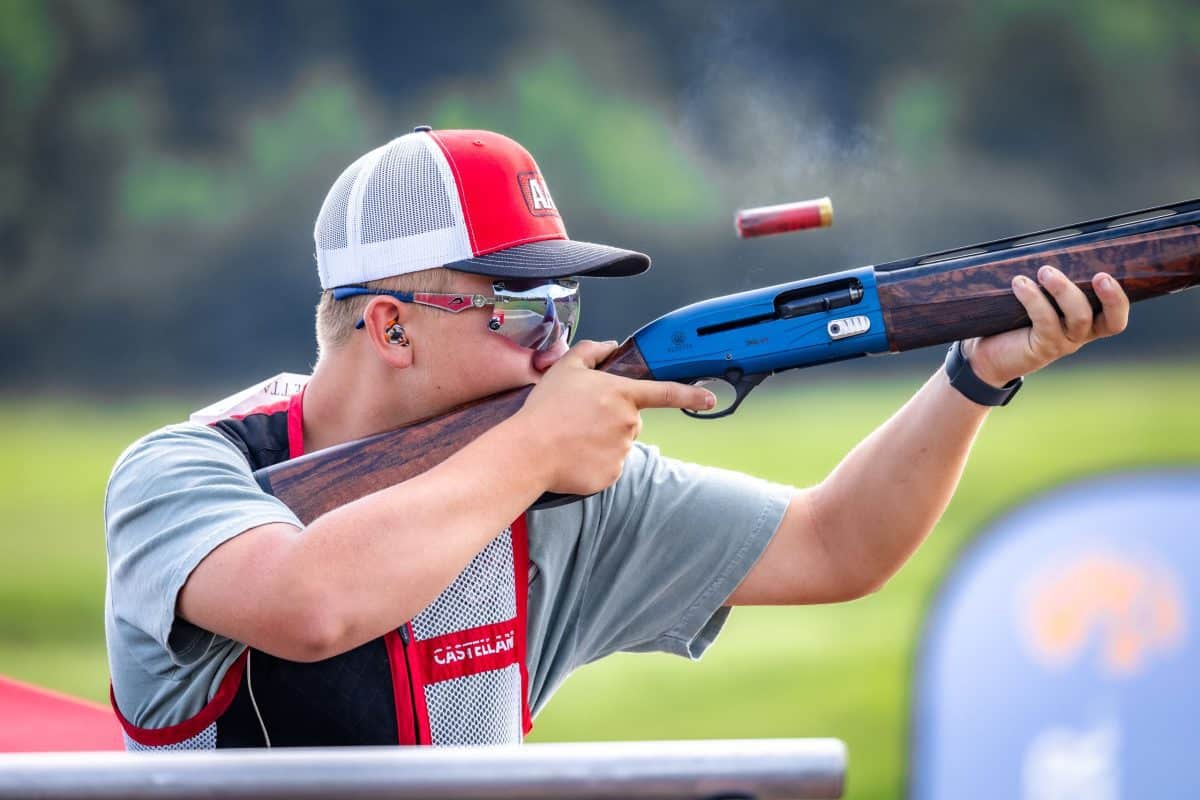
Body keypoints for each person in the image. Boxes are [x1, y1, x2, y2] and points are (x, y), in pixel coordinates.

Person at [104, 128, 1130, 749]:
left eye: (567, 302)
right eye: (520, 308)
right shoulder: (187, 470)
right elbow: (311, 604)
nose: (561, 344)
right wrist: (530, 454)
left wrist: (976, 373)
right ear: (390, 325)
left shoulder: (551, 478)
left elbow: (839, 543)